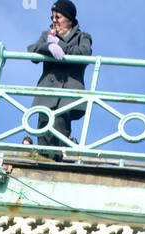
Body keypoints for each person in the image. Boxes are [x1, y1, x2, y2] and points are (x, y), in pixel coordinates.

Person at [25, 3, 92, 159]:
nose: (54, 20)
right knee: (43, 127)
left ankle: (57, 160)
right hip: (48, 91)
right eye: (52, 17)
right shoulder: (47, 35)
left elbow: (85, 53)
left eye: (58, 17)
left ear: (69, 19)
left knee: (60, 126)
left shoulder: (82, 37)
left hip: (67, 92)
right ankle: (41, 160)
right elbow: (32, 50)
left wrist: (60, 46)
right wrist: (49, 46)